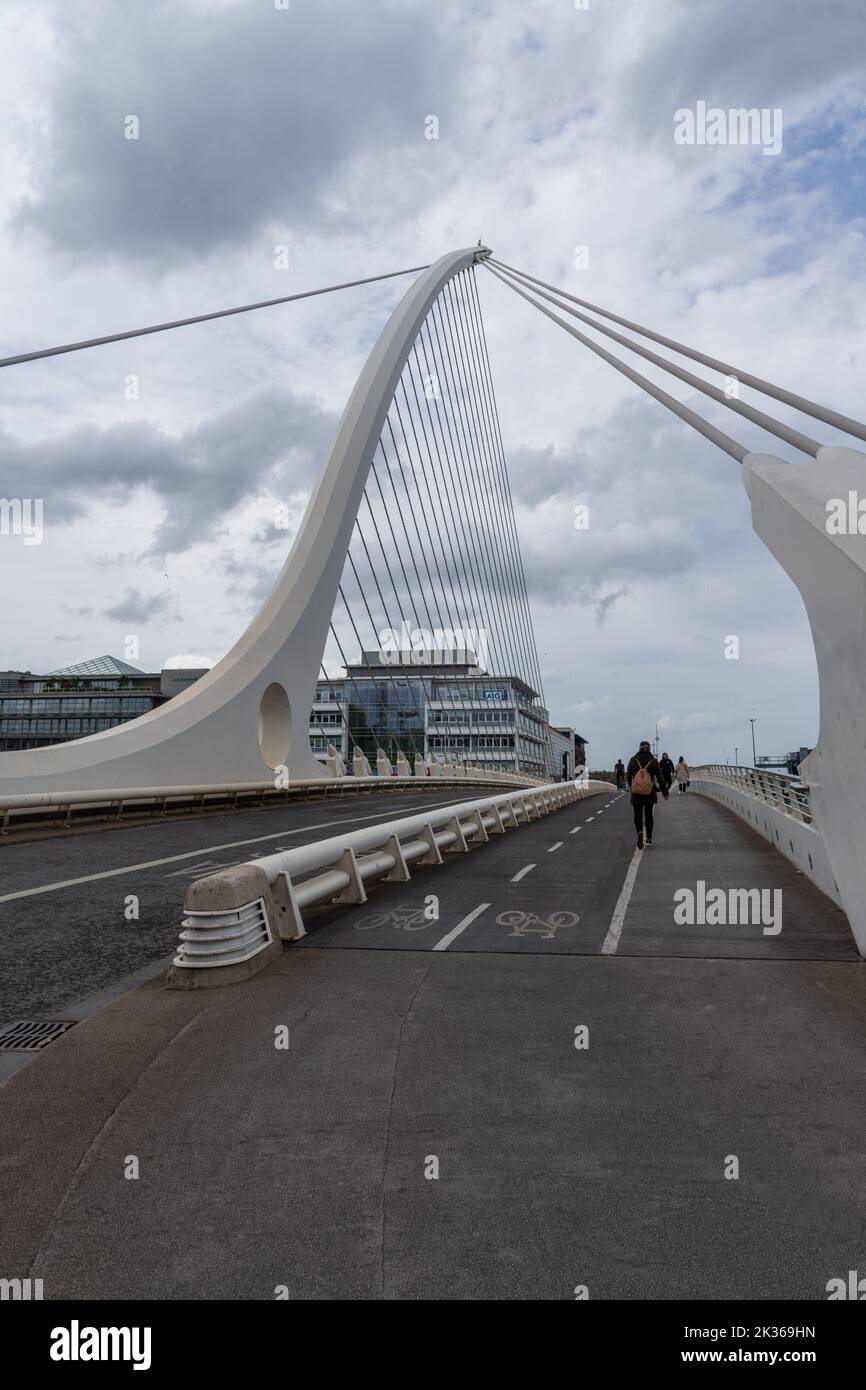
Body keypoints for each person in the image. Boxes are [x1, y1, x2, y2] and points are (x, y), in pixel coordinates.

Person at [627, 740, 668, 848]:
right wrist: (665, 792)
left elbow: (628, 775)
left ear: (639, 748)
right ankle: (649, 839)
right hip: (649, 792)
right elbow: (660, 777)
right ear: (649, 749)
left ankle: (640, 832)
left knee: (637, 815)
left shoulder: (633, 760)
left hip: (636, 793)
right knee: (649, 815)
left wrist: (632, 788)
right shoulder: (653, 761)